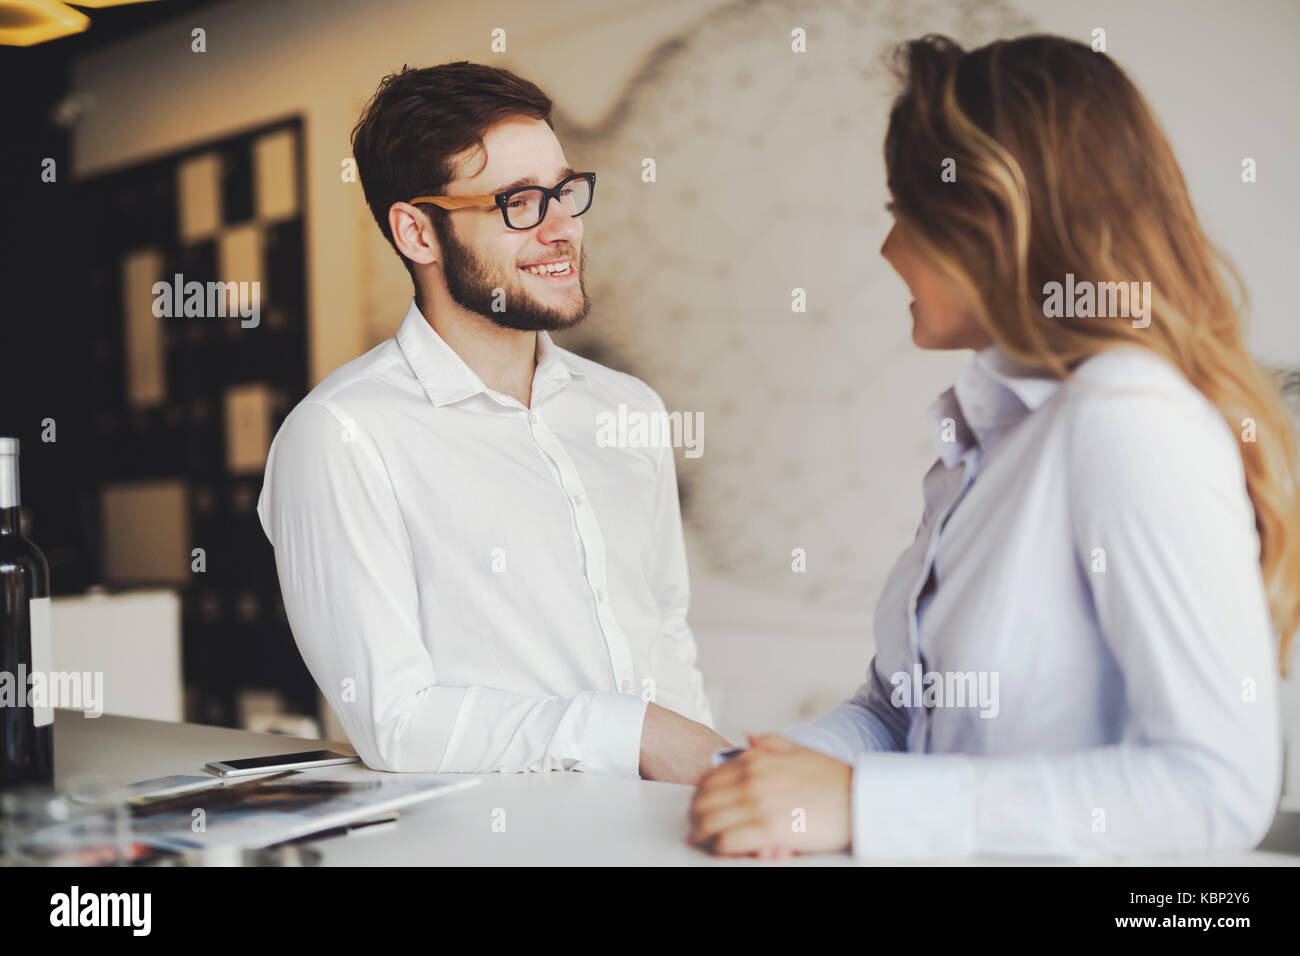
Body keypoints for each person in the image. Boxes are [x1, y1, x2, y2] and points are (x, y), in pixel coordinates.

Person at [689, 33, 1299, 858]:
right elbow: (901, 712)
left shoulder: (1129, 420)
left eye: (901, 213)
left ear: (986, 218)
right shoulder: (993, 437)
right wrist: (770, 773)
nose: (887, 249)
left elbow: (1214, 791)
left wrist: (863, 807)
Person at [258, 62, 726, 782]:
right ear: (417, 231)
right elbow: (395, 721)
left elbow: (665, 630)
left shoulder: (629, 409)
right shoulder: (341, 435)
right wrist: (631, 733)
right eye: (519, 202)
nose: (563, 227)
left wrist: (703, 778)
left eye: (565, 191)